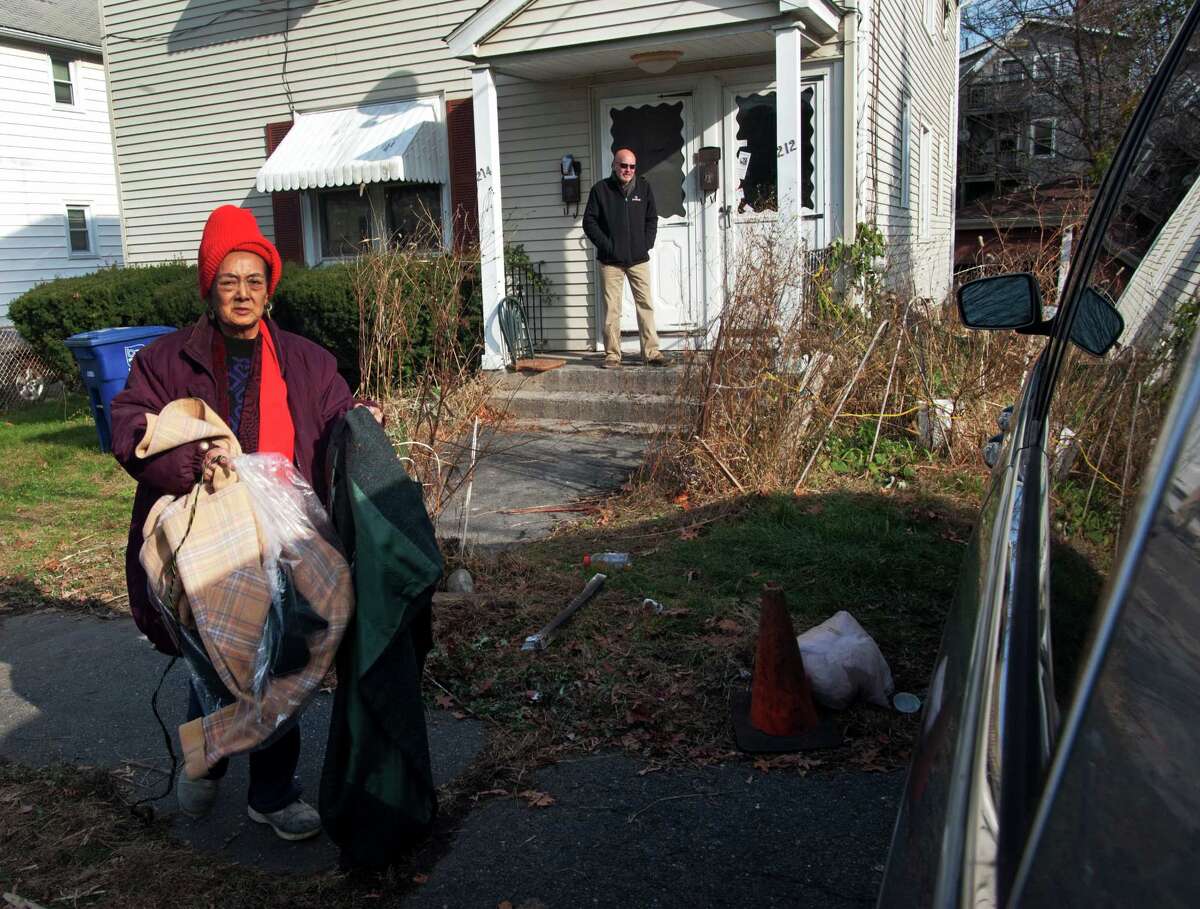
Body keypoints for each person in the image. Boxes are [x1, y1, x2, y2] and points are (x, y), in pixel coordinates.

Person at [110, 204, 375, 842]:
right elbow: (128, 425)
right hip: (207, 533)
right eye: (230, 281)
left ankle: (273, 793)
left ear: (269, 288)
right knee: (218, 652)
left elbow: (338, 415)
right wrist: (190, 461)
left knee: (280, 658)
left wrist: (363, 423)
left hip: (283, 529)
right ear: (209, 287)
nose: (243, 294)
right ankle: (208, 761)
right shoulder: (164, 360)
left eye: (254, 281)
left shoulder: (305, 360)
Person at [582, 148, 669, 369]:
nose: (627, 170)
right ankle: (612, 355)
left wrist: (646, 243)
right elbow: (589, 223)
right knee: (612, 309)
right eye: (623, 165)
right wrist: (608, 246)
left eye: (631, 166)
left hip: (638, 259)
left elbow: (652, 218)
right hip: (611, 262)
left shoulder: (644, 188)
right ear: (614, 165)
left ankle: (651, 352)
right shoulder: (600, 190)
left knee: (645, 305)